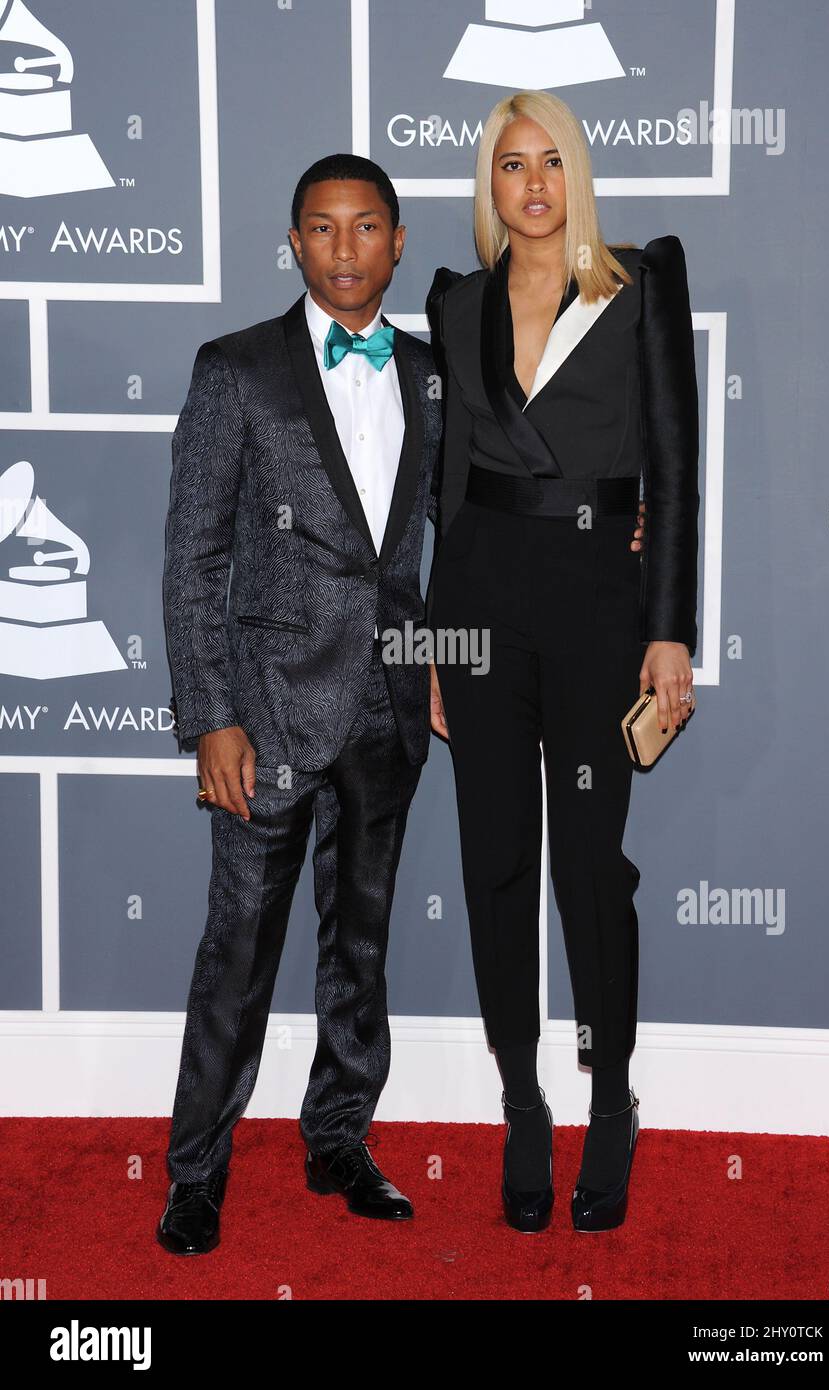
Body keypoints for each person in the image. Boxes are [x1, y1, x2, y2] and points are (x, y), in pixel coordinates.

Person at [157, 153, 445, 1254]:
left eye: (366, 228)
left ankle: (337, 1136)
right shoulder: (237, 369)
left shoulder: (430, 375)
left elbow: (444, 539)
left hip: (384, 710)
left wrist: (621, 529)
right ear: (294, 243)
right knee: (239, 949)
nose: (344, 251)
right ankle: (195, 1173)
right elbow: (194, 560)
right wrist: (208, 716)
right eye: (321, 230)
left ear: (397, 241)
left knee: (359, 944)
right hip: (266, 715)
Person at [425, 90, 699, 1233]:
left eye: (550, 162)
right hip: (483, 598)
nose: (531, 184)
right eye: (508, 165)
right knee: (495, 859)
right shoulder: (458, 301)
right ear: (487, 185)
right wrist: (436, 645)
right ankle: (523, 1103)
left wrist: (671, 625)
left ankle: (608, 1100)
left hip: (597, 600)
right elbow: (446, 487)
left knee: (589, 870)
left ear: (575, 174)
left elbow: (678, 464)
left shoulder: (638, 286)